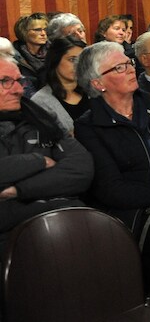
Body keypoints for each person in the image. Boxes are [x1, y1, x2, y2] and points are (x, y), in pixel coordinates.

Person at [73, 41, 150, 289]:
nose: (130, 69)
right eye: (119, 67)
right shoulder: (89, 127)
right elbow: (111, 189)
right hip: (137, 213)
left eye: (128, 62)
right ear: (98, 83)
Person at [0, 54, 94, 255]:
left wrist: (20, 190)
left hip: (62, 220)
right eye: (5, 82)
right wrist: (39, 160)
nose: (18, 90)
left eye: (19, 81)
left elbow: (81, 168)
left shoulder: (40, 118)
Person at [30, 37, 87, 133]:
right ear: (55, 60)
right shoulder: (40, 101)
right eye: (72, 60)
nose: (78, 65)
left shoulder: (92, 91)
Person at [12, 13, 49, 87]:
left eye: (45, 29)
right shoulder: (13, 55)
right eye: (37, 30)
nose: (43, 33)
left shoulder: (55, 51)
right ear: (24, 32)